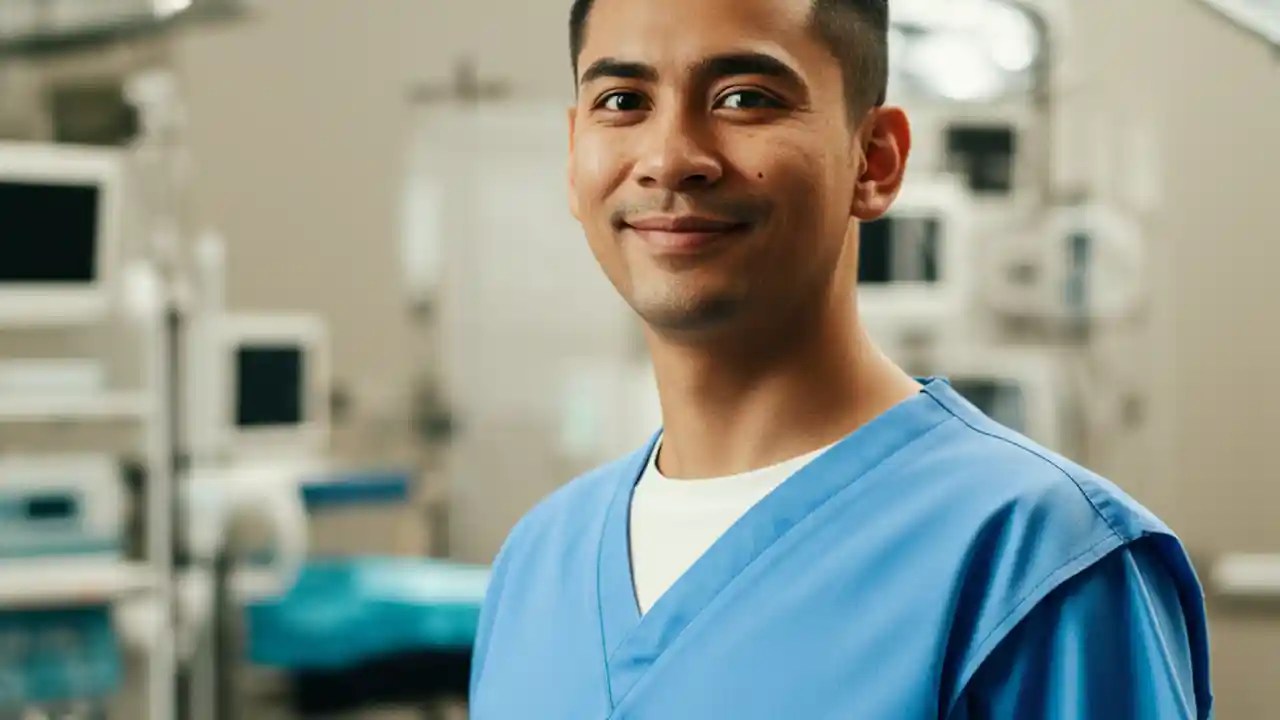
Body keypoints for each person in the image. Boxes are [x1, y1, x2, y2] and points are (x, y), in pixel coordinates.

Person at [469, 0, 1214, 717]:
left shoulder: (1036, 558)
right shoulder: (538, 562)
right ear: (574, 157)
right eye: (624, 100)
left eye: (743, 97)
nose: (669, 160)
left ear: (876, 159)